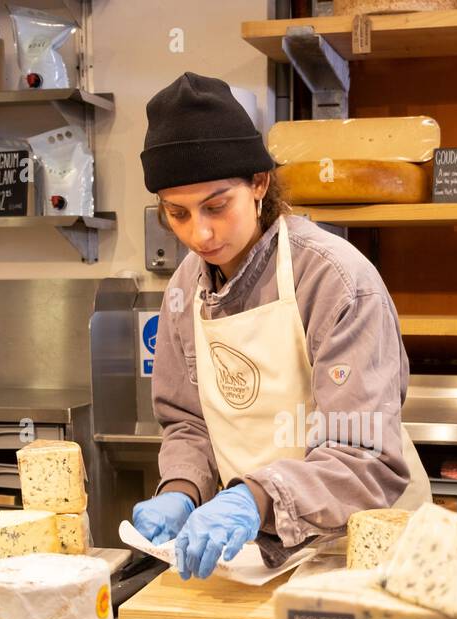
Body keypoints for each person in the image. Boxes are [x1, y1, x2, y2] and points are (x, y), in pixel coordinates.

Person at [131, 72, 430, 580]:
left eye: (216, 206)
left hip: (365, 549)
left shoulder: (336, 278)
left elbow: (363, 453)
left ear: (259, 184)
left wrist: (252, 498)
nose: (198, 233)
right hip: (257, 552)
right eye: (177, 213)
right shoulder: (185, 287)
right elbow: (188, 421)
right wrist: (182, 489)